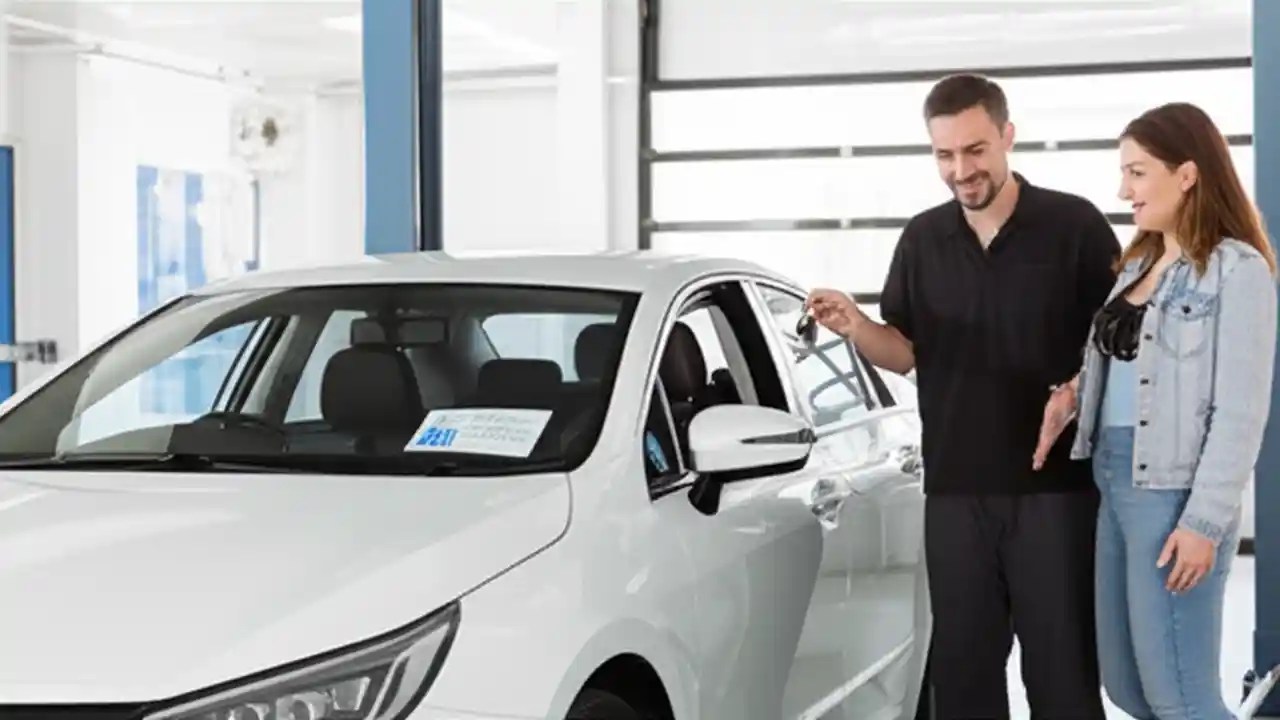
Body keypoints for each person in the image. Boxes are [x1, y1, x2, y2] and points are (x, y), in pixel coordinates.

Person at [806, 73, 1120, 719]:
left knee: (1062, 678)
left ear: (1007, 137)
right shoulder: (923, 239)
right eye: (944, 154)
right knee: (964, 677)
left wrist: (1078, 389)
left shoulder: (1074, 225)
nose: (960, 170)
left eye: (975, 150)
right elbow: (907, 353)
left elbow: (1118, 344)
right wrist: (858, 326)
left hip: (1055, 494)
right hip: (953, 492)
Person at [1034, 102, 1277, 720]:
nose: (1124, 190)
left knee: (1182, 697)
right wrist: (1074, 396)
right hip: (1113, 481)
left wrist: (1205, 522)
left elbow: (1241, 412)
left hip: (1172, 495)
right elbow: (1126, 364)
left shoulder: (1236, 270)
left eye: (1137, 172)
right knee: (1127, 686)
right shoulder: (1139, 264)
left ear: (1188, 174)